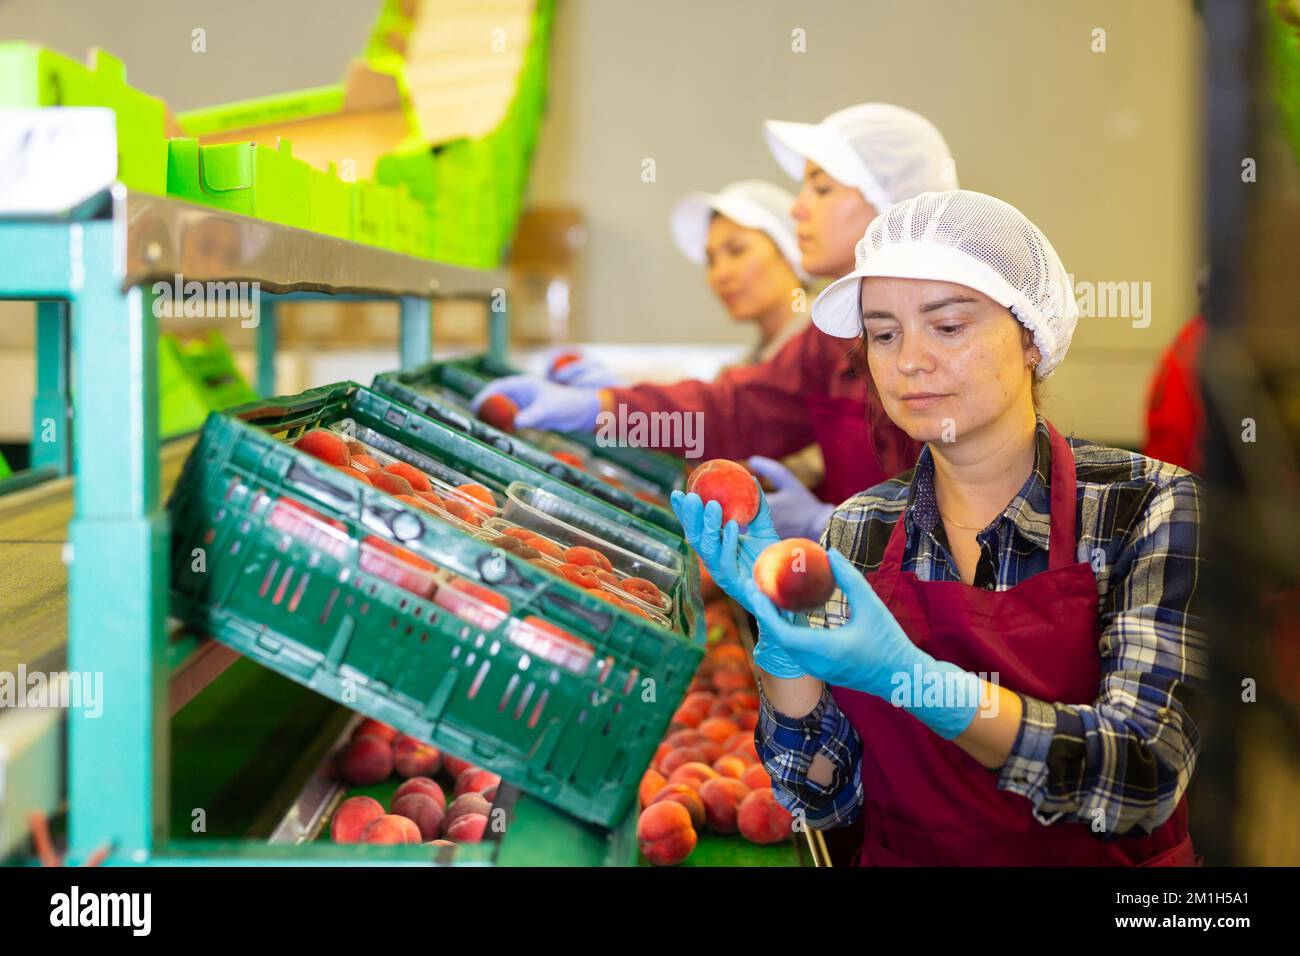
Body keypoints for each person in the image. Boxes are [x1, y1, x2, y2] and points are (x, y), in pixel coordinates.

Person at [675, 190, 1205, 866]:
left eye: (948, 326)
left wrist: (916, 683)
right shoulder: (860, 529)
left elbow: (1141, 777)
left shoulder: (1147, 507)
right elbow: (824, 801)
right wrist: (782, 650)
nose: (909, 361)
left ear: (1031, 338)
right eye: (884, 333)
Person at [474, 104, 958, 539]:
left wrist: (835, 527)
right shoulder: (829, 342)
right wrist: (599, 408)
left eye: (822, 187)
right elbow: (732, 412)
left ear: (891, 203)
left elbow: (980, 517)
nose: (798, 206)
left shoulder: (952, 338)